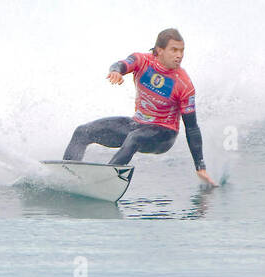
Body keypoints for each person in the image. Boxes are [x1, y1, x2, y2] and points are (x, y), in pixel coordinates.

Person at [62, 28, 216, 185]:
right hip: (137, 124)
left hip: (164, 134)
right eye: (174, 50)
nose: (179, 55)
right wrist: (116, 72)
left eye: (182, 51)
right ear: (159, 50)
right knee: (82, 131)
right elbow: (120, 64)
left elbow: (192, 128)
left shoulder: (184, 84)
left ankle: (105, 183)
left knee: (135, 137)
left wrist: (200, 166)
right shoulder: (142, 61)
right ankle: (67, 177)